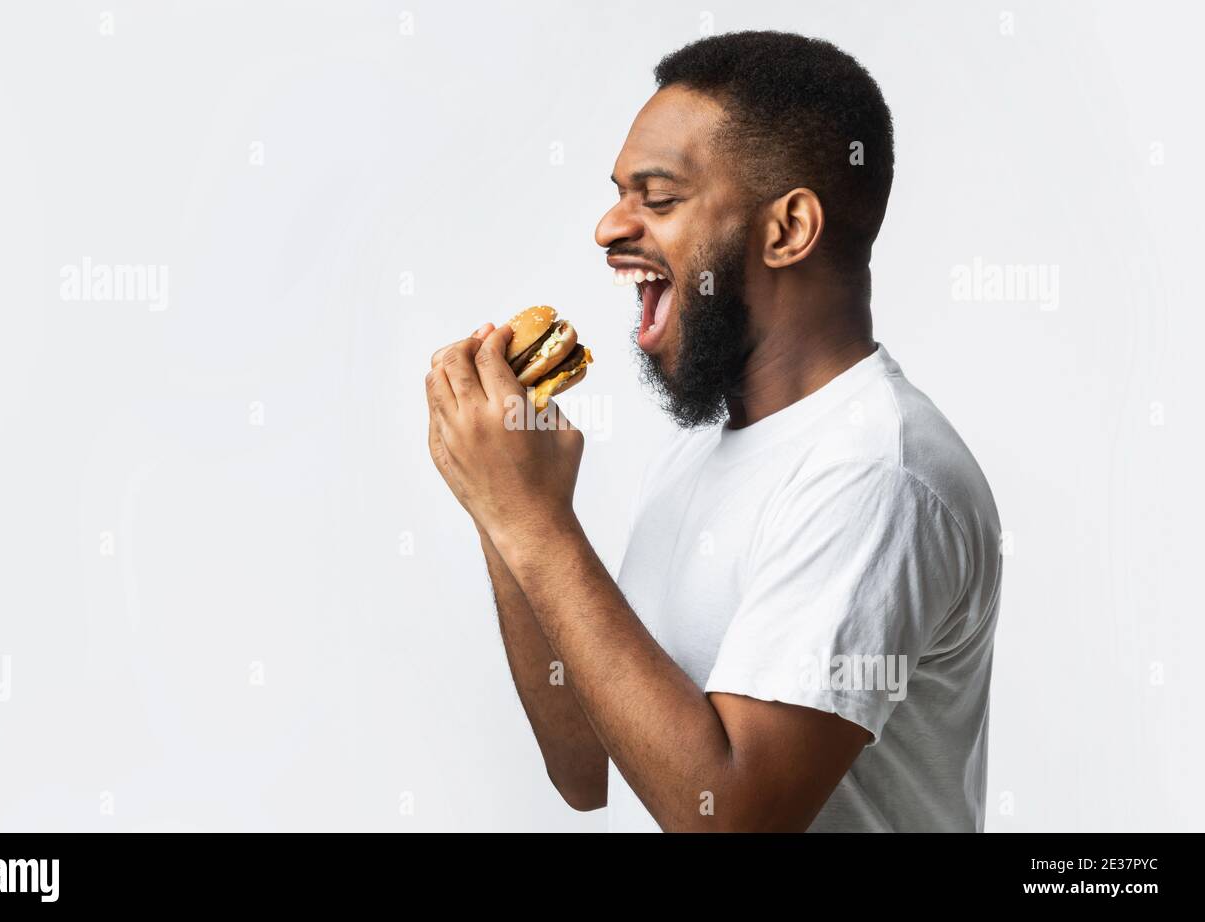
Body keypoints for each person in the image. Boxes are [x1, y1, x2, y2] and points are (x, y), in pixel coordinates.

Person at [425, 30, 1002, 832]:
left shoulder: (876, 471)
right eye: (619, 193)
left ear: (787, 229)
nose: (606, 227)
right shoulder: (699, 455)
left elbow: (730, 819)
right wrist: (505, 511)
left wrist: (534, 519)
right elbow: (588, 767)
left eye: (657, 199)